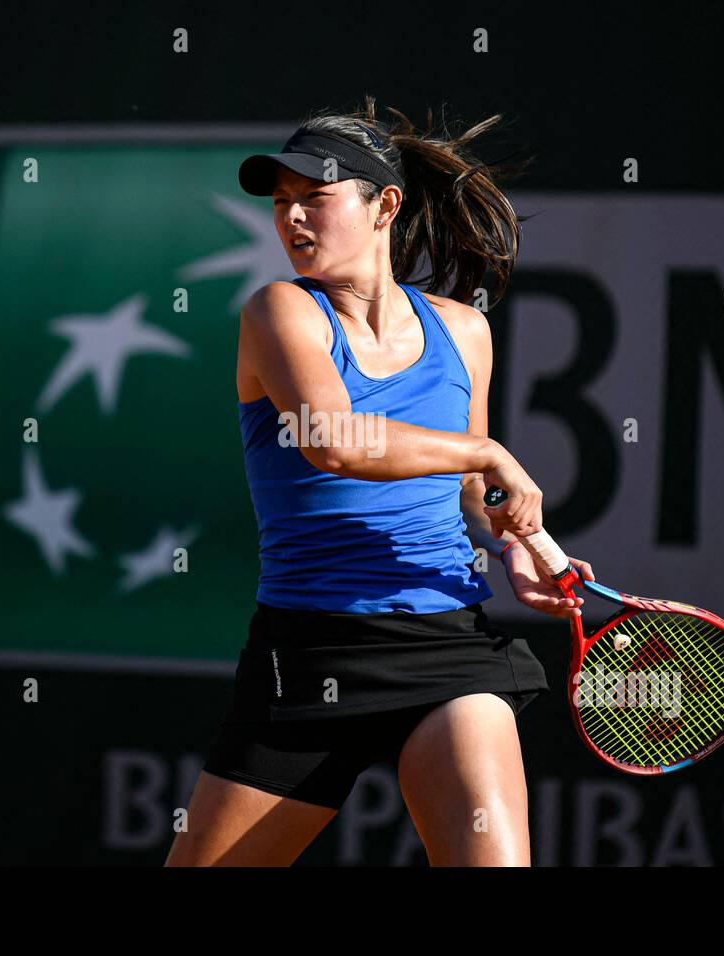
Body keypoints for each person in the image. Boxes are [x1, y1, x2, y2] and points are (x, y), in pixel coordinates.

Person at [165, 98, 594, 867]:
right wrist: (489, 454)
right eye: (281, 203)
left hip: (447, 650)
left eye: (315, 198)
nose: (293, 218)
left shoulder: (465, 331)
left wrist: (516, 545)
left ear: (384, 206)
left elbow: (468, 492)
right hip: (308, 654)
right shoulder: (279, 311)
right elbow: (333, 441)